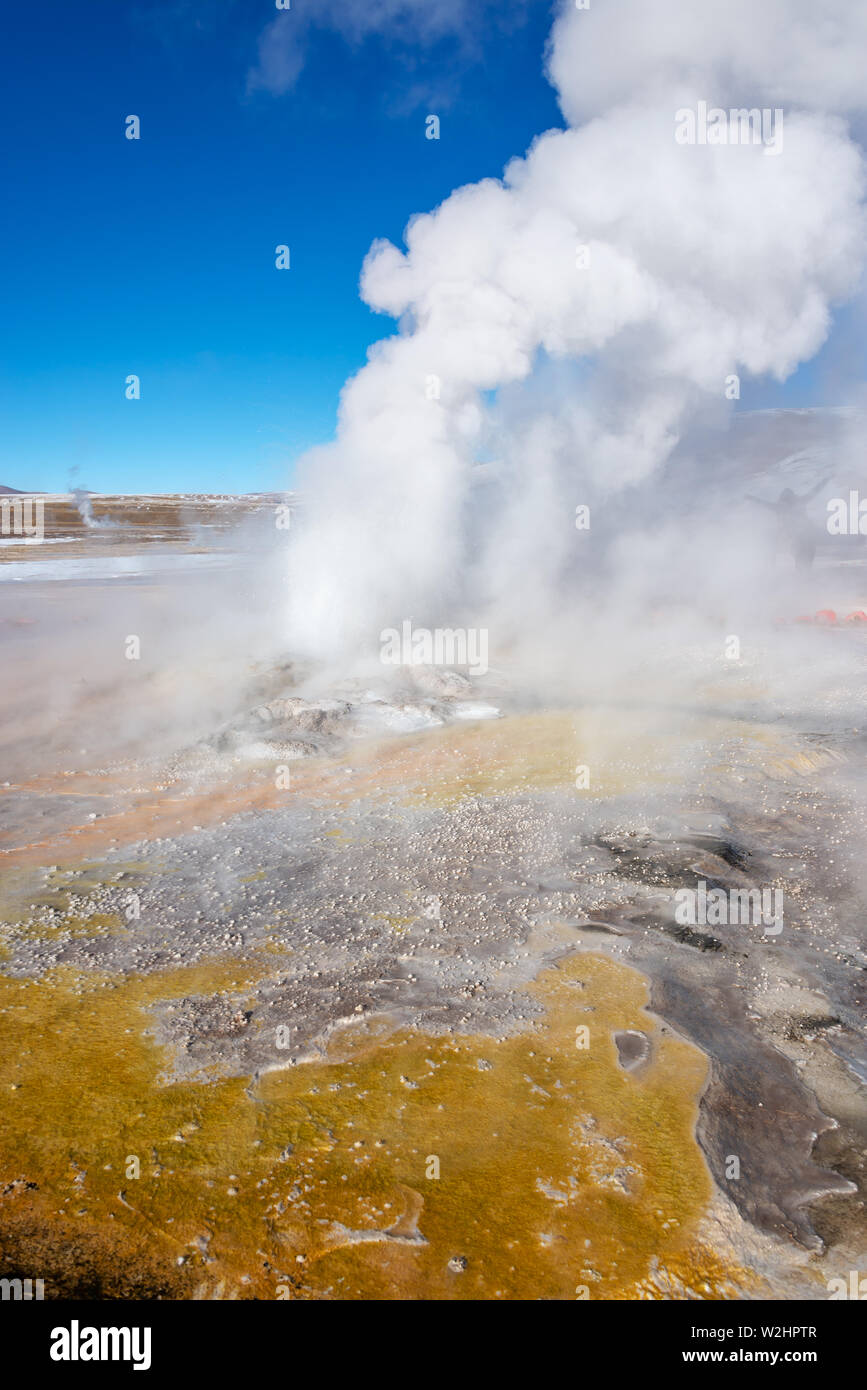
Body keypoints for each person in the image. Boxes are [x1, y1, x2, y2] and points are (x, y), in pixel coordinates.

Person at [745, 475, 831, 570]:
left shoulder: (784, 506)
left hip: (802, 538)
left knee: (803, 559)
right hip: (801, 539)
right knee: (803, 559)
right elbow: (816, 490)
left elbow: (763, 503)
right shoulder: (794, 503)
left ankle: (802, 574)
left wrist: (751, 498)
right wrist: (826, 479)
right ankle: (803, 574)